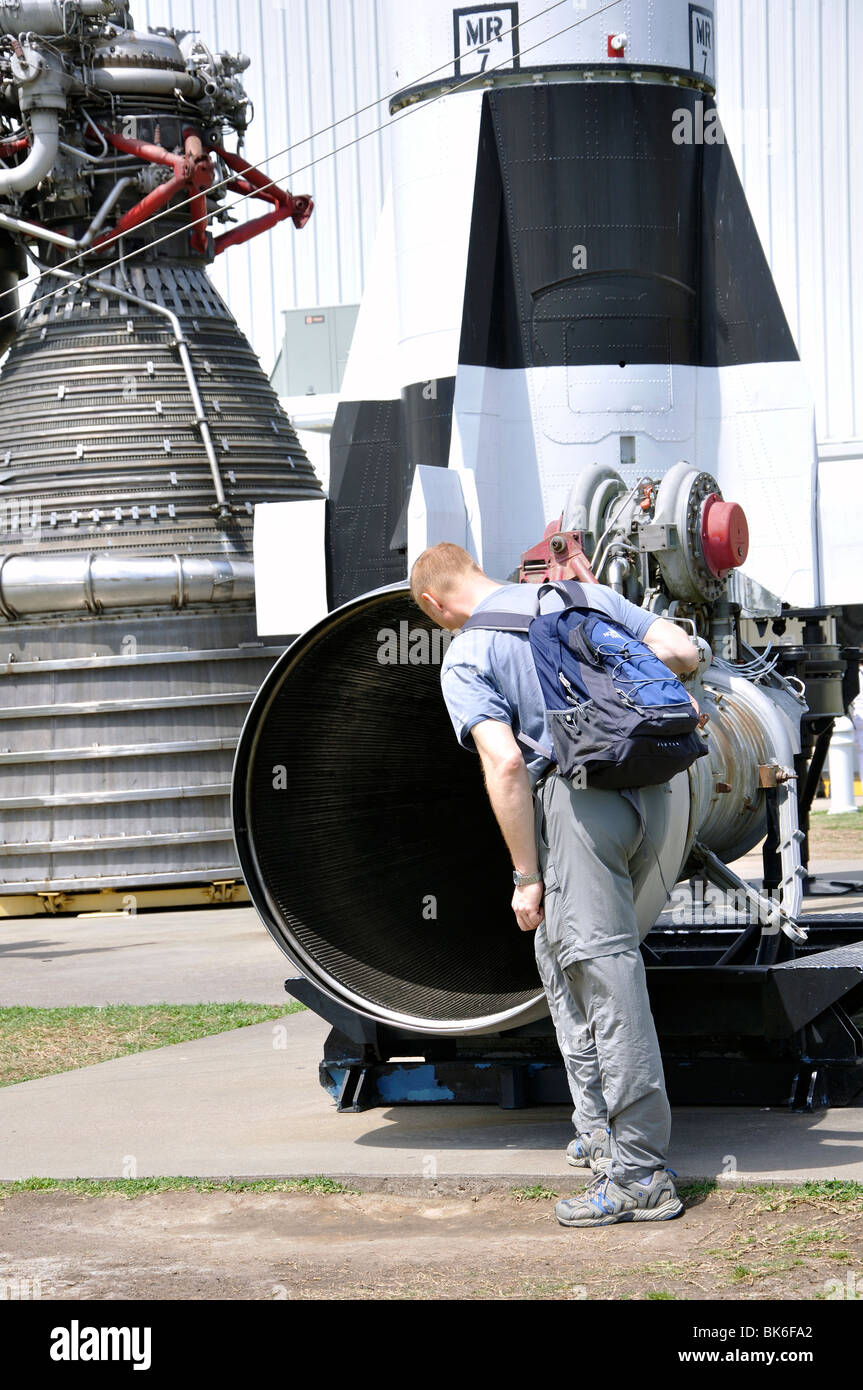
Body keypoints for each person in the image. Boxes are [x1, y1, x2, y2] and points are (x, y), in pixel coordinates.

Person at [410, 541, 700, 1227]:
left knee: (603, 974)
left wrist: (526, 875)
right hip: (653, 797)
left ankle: (640, 1175)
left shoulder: (468, 654)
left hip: (577, 807)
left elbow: (506, 764)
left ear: (432, 603)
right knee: (565, 959)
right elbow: (681, 651)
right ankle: (599, 1132)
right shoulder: (580, 595)